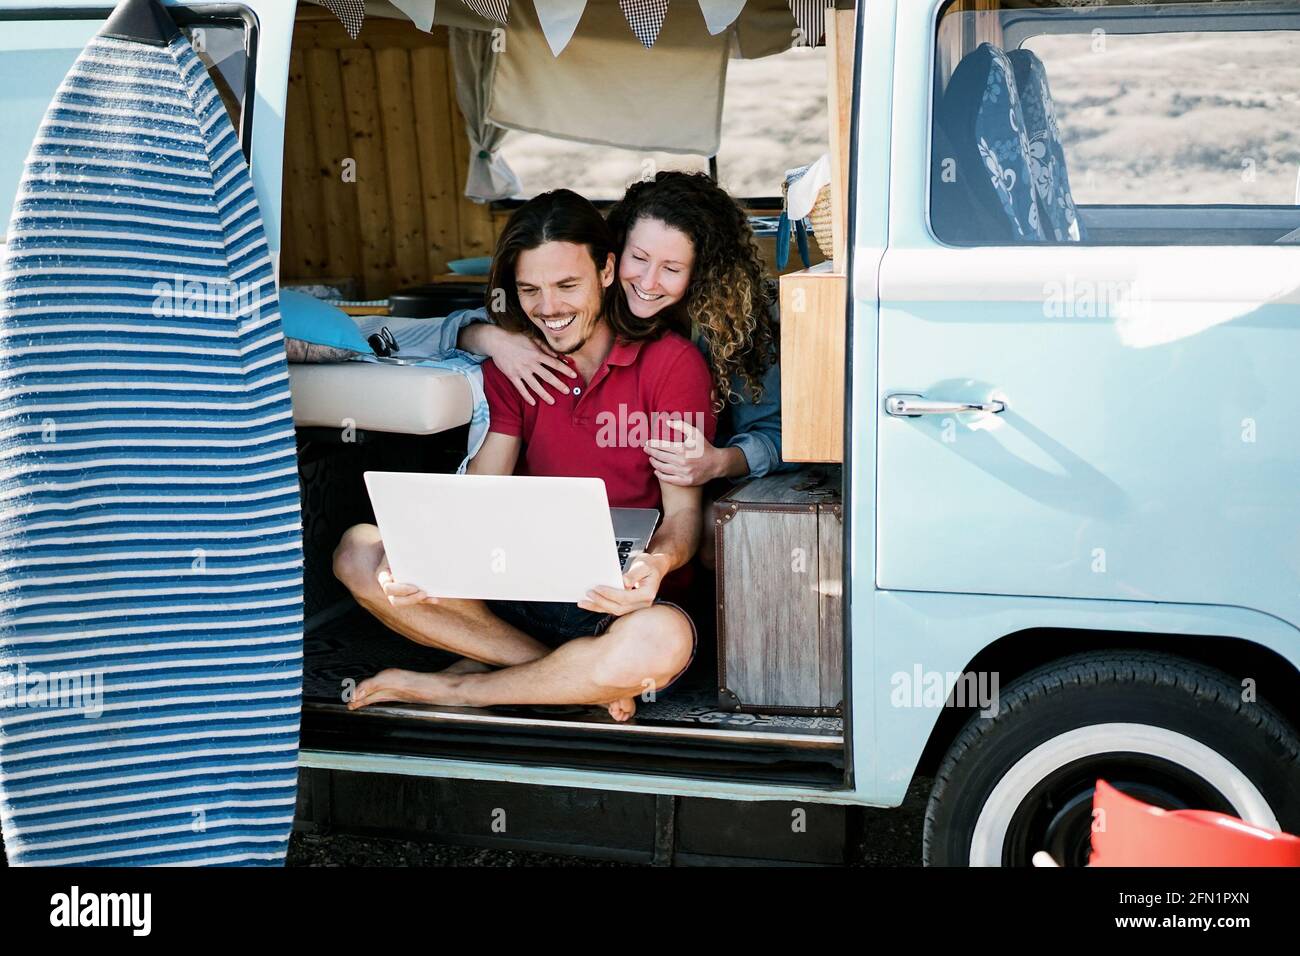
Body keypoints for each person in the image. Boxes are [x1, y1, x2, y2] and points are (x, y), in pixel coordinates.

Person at [332, 190, 716, 723]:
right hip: (518, 589)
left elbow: (683, 516)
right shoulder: (515, 364)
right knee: (359, 553)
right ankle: (569, 678)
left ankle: (460, 689)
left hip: (620, 604)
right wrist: (427, 550)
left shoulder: (672, 365)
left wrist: (657, 562)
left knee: (657, 642)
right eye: (530, 290)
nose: (549, 309)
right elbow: (484, 491)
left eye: (566, 285)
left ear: (606, 271)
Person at [458, 172, 794, 565]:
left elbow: (784, 437)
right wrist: (490, 339)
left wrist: (720, 461)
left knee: (716, 528)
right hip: (577, 535)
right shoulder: (566, 300)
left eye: (671, 268)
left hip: (713, 480)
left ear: (702, 271)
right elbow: (486, 321)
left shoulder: (738, 325)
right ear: (613, 258)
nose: (647, 282)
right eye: (638, 258)